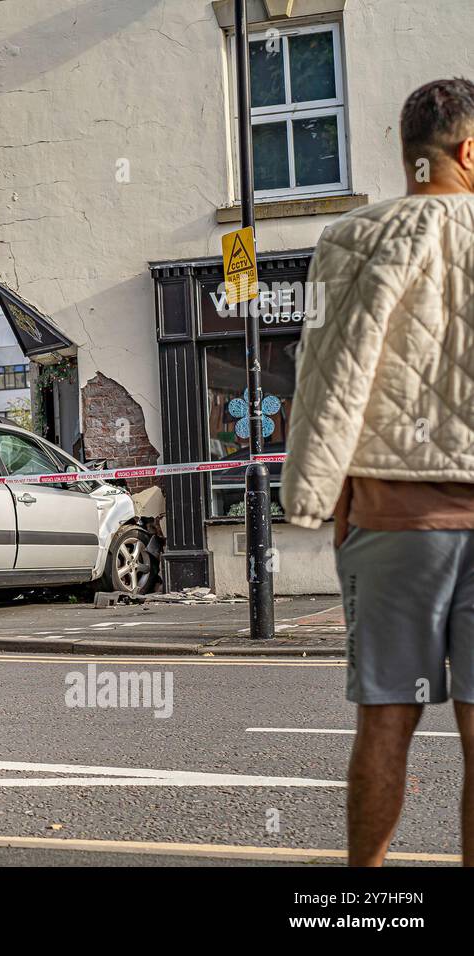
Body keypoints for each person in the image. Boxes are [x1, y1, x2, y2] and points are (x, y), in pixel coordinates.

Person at [284, 78, 474, 866]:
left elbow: (328, 375)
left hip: (391, 518)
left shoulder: (350, 239)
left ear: (409, 155)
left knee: (386, 722)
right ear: (470, 152)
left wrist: (318, 495)